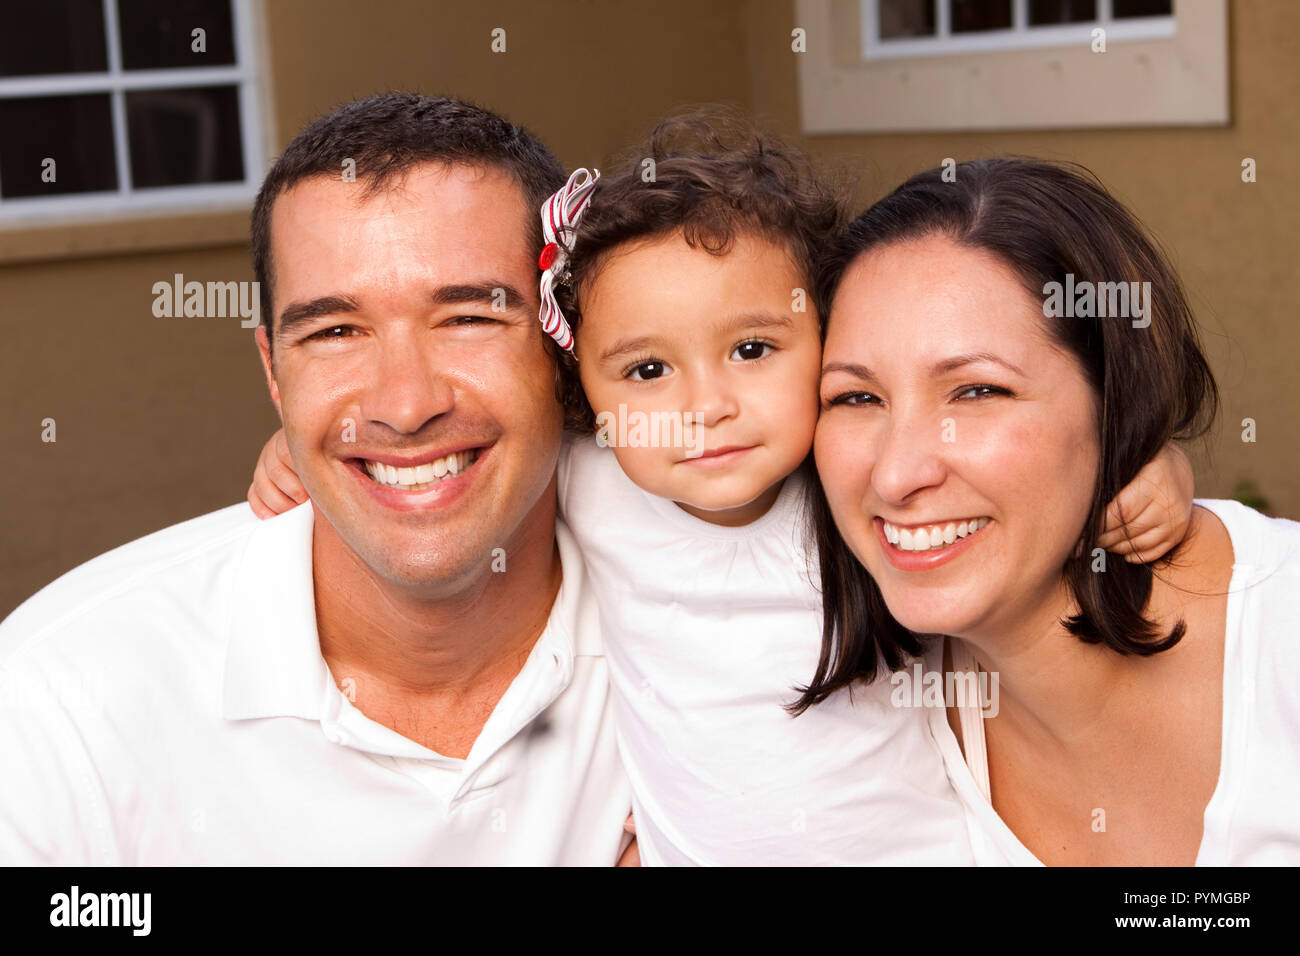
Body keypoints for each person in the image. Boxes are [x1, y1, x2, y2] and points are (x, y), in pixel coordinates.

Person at [249, 115, 1197, 865]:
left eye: (751, 350)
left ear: (828, 342)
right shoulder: (594, 479)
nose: (704, 408)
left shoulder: (864, 486)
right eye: (647, 371)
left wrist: (1140, 465)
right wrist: (303, 449)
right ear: (584, 395)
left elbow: (1021, 486)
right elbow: (454, 454)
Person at [0, 93, 634, 865]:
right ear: (274, 370)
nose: (406, 406)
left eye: (469, 317)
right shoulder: (60, 696)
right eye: (335, 332)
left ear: (569, 341)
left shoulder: (727, 624)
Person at [810, 156, 1300, 865]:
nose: (896, 475)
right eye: (855, 398)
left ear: (1114, 398)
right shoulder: (871, 726)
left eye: (977, 392)